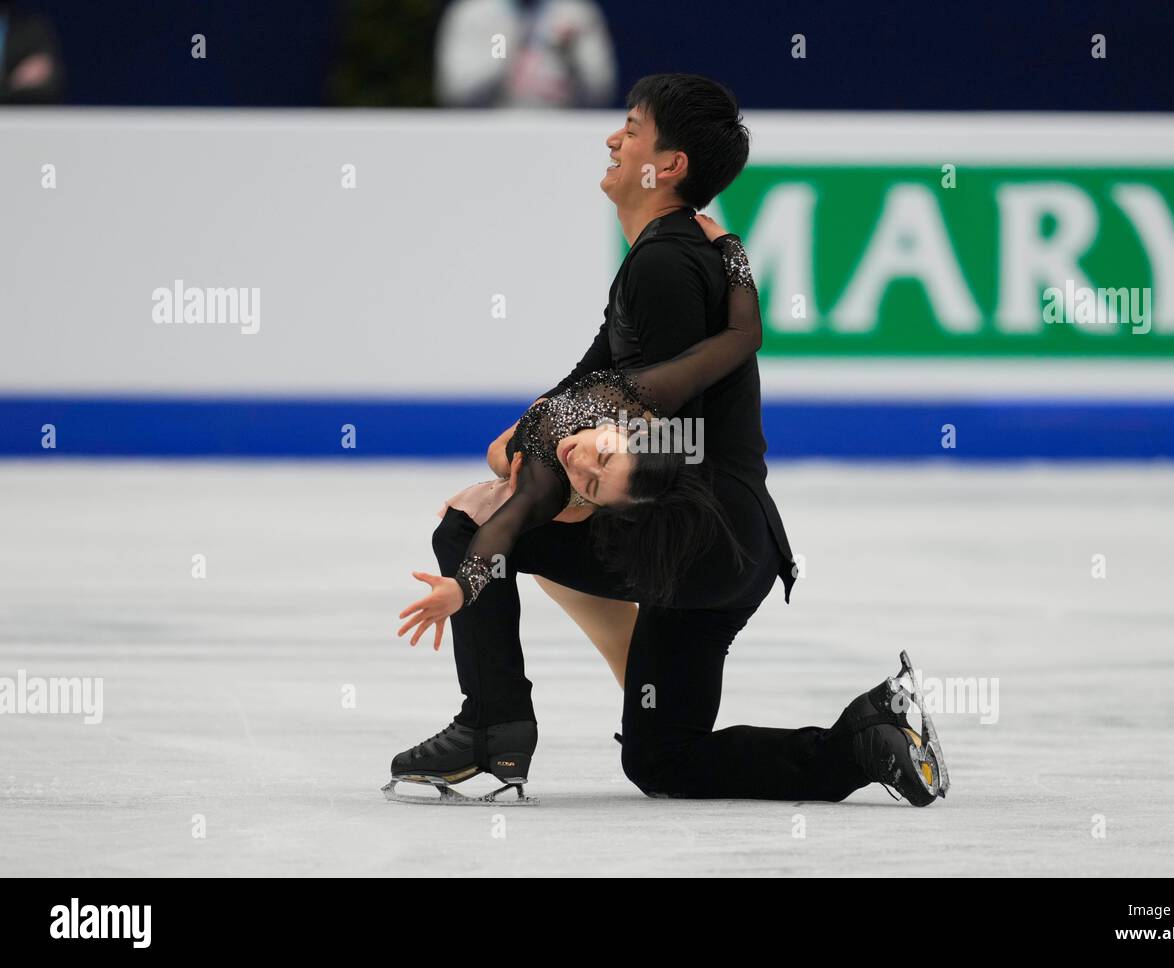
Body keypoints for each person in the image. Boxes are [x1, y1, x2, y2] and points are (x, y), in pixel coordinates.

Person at [386, 74, 948, 806]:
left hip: (696, 538)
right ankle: (867, 739)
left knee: (471, 525)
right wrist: (537, 448)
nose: (612, 139)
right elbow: (574, 397)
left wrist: (544, 486)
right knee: (664, 756)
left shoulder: (663, 267)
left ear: (670, 165)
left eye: (630, 127)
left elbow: (658, 430)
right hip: (725, 551)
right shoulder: (666, 260)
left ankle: (493, 726)